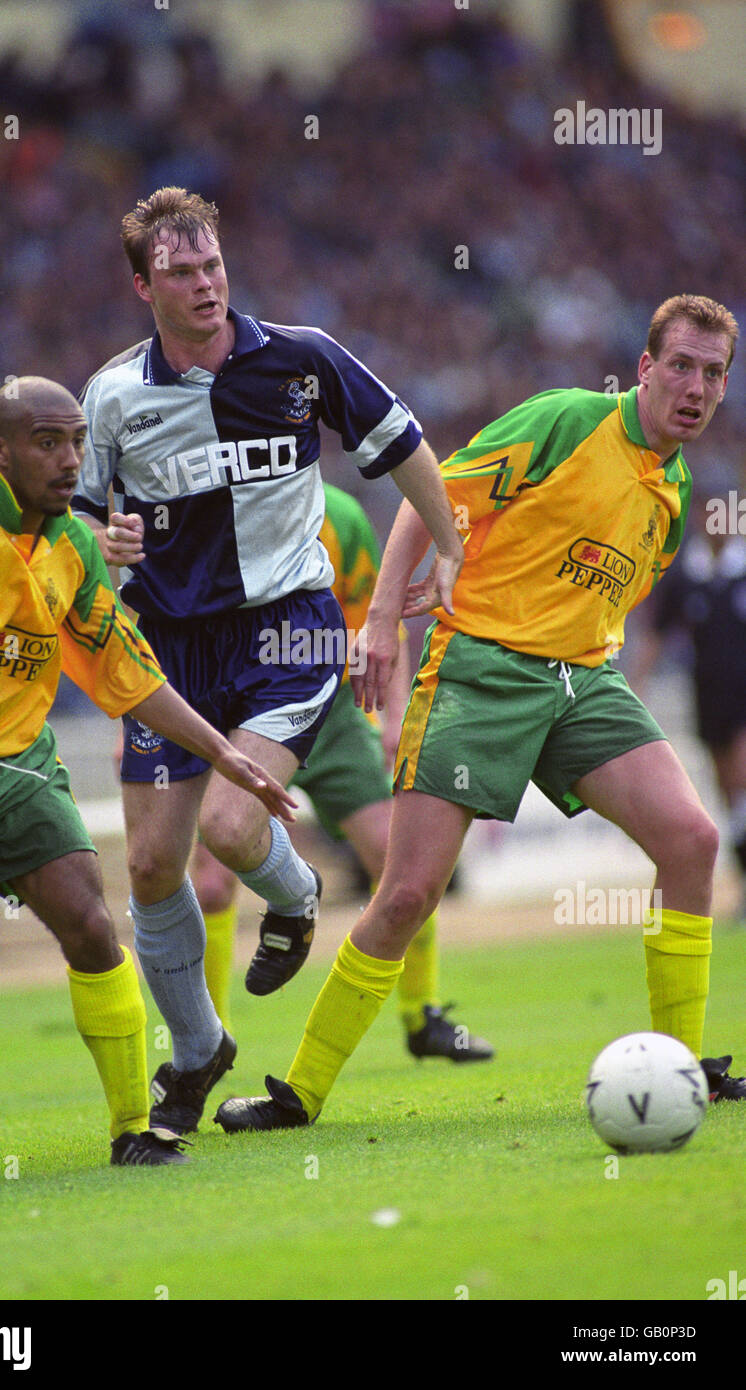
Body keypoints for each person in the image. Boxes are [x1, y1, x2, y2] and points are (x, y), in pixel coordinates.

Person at [215, 292, 746, 1134]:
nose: (695, 386)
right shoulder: (569, 422)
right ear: (644, 369)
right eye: (680, 365)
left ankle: (679, 1067)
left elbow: (594, 590)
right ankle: (299, 1095)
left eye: (713, 374)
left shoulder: (674, 492)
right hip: (481, 673)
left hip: (581, 680)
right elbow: (431, 490)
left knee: (695, 840)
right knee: (407, 894)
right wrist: (386, 618)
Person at [72, 186, 461, 1137]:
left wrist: (448, 546)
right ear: (141, 285)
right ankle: (199, 1052)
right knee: (156, 868)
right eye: (179, 271)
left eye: (212, 265)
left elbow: (406, 447)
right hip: (167, 646)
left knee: (237, 830)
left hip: (290, 630)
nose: (203, 284)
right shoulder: (113, 394)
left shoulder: (303, 359)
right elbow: (75, 517)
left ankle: (297, 895)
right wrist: (102, 546)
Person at [0, 377, 296, 1168]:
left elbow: (128, 671)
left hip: (23, 766)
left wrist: (226, 754)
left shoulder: (73, 547)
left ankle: (132, 1130)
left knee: (92, 923)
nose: (70, 459)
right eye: (47, 442)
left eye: (76, 441)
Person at [194, 482, 494, 1075]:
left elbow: (382, 623)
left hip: (328, 706)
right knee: (210, 885)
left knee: (396, 855)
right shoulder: (208, 514)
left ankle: (423, 1015)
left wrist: (392, 714)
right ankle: (209, 1042)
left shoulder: (343, 519)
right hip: (231, 711)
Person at [633, 490, 746, 919]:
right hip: (709, 699)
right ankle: (742, 879)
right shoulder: (688, 576)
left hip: (744, 699)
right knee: (729, 794)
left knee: (740, 777)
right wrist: (634, 685)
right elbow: (656, 635)